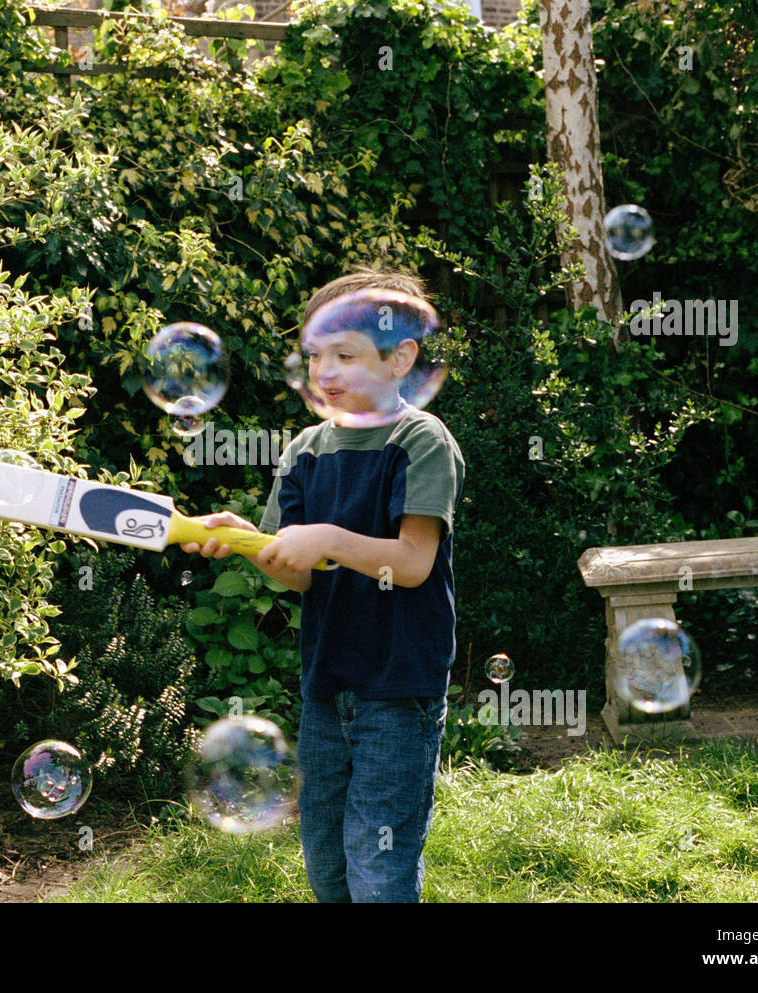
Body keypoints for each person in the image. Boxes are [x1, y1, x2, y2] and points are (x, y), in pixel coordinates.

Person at [181, 266, 465, 902]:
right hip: (327, 682)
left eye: (345, 354)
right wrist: (244, 540)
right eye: (315, 356)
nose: (325, 372)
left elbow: (413, 562)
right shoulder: (305, 450)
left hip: (398, 687)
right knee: (327, 860)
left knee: (378, 858)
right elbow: (296, 576)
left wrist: (330, 538)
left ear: (401, 359)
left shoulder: (421, 442)